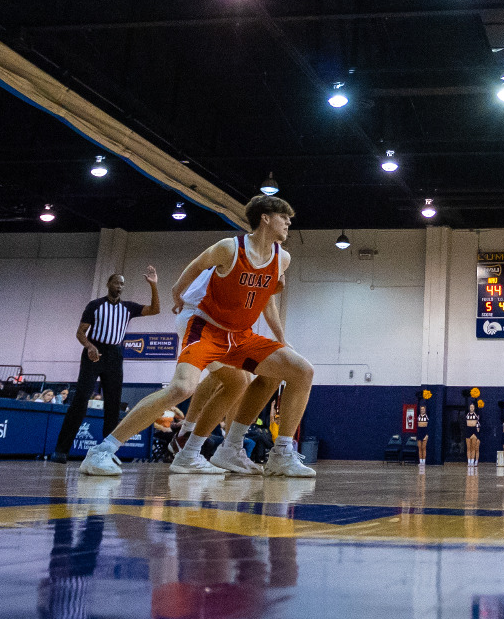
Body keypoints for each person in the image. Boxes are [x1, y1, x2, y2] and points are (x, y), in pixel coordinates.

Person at [81, 194, 315, 479]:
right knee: (182, 388)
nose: (289, 222)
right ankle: (102, 452)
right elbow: (196, 265)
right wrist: (177, 294)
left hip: (241, 336)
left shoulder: (282, 258)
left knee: (300, 370)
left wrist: (281, 338)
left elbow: (267, 300)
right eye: (284, 216)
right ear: (265, 218)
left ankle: (274, 454)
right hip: (207, 327)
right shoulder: (230, 247)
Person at [50, 267, 162, 461]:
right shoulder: (94, 305)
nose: (119, 286)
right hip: (94, 352)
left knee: (113, 405)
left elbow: (155, 309)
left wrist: (153, 285)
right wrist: (89, 346)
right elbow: (80, 332)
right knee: (80, 401)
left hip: (114, 355)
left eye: (122, 284)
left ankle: (107, 453)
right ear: (108, 284)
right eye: (116, 282)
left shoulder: (128, 307)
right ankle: (61, 450)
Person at [464, 399, 481, 470]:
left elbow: (479, 410)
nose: (471, 408)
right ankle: (469, 462)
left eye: (473, 407)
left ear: (474, 408)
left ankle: (472, 461)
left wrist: (476, 399)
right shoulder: (467, 414)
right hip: (468, 430)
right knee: (468, 447)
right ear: (469, 408)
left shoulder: (476, 415)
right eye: (470, 407)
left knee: (473, 447)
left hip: (474, 430)